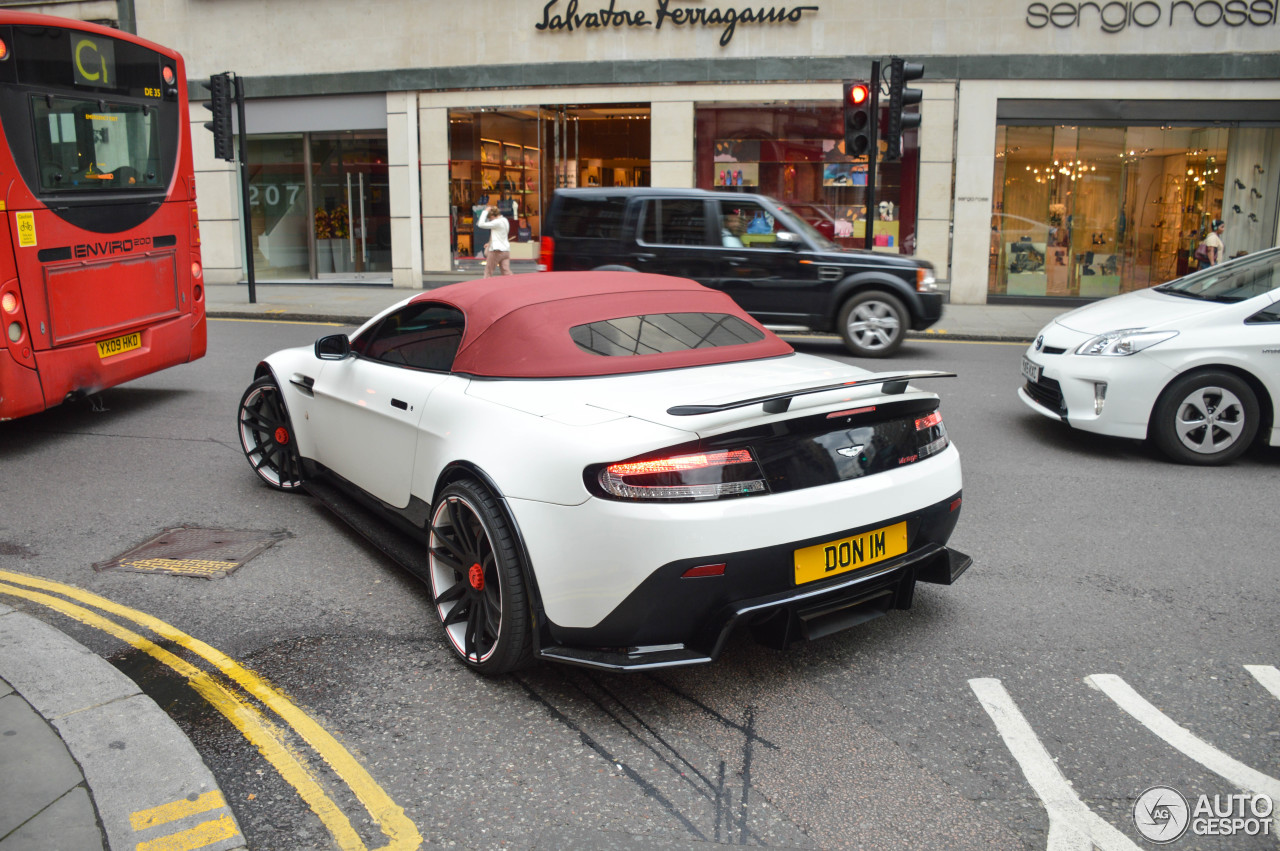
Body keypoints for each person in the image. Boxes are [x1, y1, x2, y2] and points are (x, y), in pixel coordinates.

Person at [476, 205, 511, 277]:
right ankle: (514, 286)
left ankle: (486, 287)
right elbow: (500, 235)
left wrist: (485, 212)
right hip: (506, 250)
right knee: (506, 272)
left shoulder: (497, 222)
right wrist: (490, 243)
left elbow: (480, 224)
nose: (490, 220)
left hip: (496, 251)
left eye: (489, 219)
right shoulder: (505, 220)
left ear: (492, 216)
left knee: (488, 272)